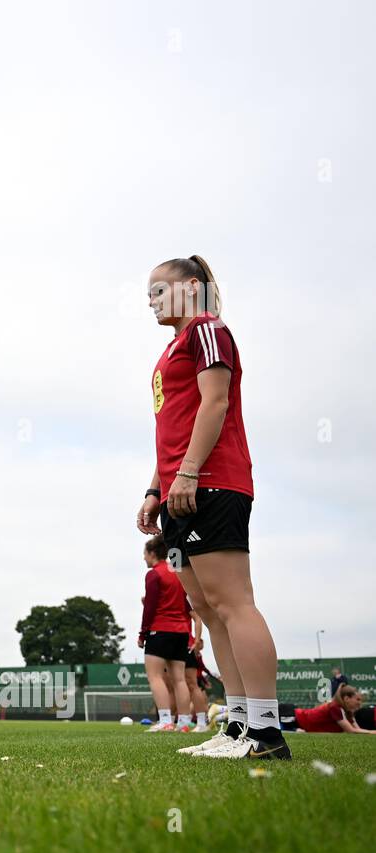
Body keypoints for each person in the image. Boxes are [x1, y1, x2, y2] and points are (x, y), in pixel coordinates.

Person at [137, 255, 289, 760]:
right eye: (149, 294)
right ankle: (238, 725)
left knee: (231, 602)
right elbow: (172, 428)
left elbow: (215, 403)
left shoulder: (208, 329)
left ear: (193, 288)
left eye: (161, 290)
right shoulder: (172, 348)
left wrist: (188, 472)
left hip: (213, 483)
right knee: (205, 606)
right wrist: (155, 490)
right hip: (179, 493)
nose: (152, 301)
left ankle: (266, 733)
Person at [138, 535, 192, 732]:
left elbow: (150, 608)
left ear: (152, 553)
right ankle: (185, 723)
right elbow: (185, 601)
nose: (144, 558)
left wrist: (142, 634)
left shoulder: (154, 574)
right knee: (179, 679)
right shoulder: (177, 570)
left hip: (160, 629)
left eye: (144, 554)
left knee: (155, 677)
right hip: (181, 631)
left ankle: (166, 721)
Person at [283, 685, 376, 734]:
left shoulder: (345, 711)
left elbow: (357, 730)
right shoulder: (335, 708)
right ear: (347, 698)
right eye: (357, 699)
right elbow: (351, 730)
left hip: (295, 719)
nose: (360, 703)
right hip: (291, 716)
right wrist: (372, 732)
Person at [184, 612, 210, 732]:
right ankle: (185, 720)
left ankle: (201, 720)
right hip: (198, 678)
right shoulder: (197, 653)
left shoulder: (196, 652)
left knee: (196, 693)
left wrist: (205, 680)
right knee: (189, 693)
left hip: (198, 679)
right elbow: (203, 667)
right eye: (201, 644)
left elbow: (202, 667)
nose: (201, 646)